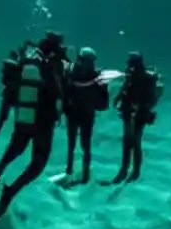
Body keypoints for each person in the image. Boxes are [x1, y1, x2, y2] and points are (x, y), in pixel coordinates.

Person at [0, 31, 69, 229]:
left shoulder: (26, 64)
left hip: (23, 122)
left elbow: (9, 96)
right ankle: (10, 192)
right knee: (37, 165)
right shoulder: (53, 65)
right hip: (42, 124)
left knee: (8, 157)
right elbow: (59, 94)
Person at [108, 51, 163, 184]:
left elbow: (149, 98)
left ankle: (134, 171)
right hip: (129, 111)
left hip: (140, 112)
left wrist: (141, 108)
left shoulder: (147, 78)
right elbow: (126, 86)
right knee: (128, 141)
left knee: (135, 141)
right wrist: (119, 97)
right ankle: (125, 170)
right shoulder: (131, 74)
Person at [62, 47, 109, 185]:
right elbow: (103, 102)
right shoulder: (96, 76)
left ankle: (72, 170)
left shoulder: (71, 72)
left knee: (75, 143)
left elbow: (64, 92)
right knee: (83, 144)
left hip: (76, 113)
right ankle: (81, 173)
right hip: (85, 113)